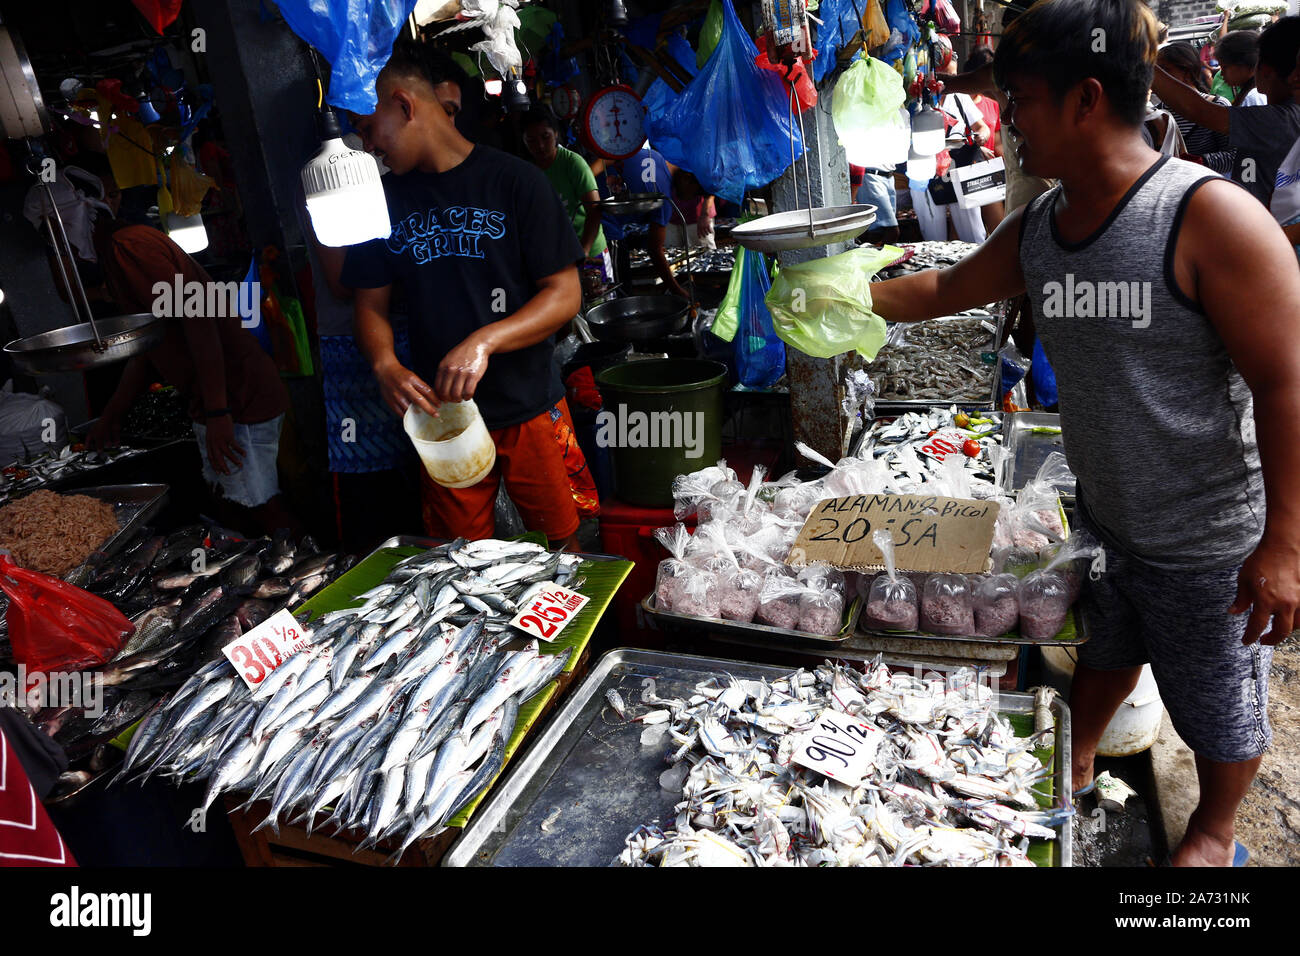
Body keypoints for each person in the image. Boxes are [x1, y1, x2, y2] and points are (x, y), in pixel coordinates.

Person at [869, 0, 1300, 867]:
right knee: (1104, 648)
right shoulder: (1041, 227)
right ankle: (1074, 752)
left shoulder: (1208, 219)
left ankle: (1213, 834)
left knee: (1217, 702)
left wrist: (1286, 540)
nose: (1009, 122)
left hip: (1205, 535)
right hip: (1103, 512)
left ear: (1085, 100)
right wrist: (827, 289)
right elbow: (944, 291)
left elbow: (1286, 380)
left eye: (1019, 100)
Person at [340, 42, 587, 549]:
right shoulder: (381, 204)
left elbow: (564, 295)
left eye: (368, 129)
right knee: (459, 562)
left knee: (565, 546)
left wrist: (485, 341)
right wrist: (384, 363)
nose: (368, 147)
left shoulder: (516, 183)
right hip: (443, 419)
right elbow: (369, 305)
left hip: (530, 408)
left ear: (405, 106)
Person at [84, 170, 294, 536]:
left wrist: (218, 412)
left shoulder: (130, 247)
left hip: (238, 397)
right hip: (218, 401)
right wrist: (113, 413)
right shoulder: (118, 256)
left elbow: (199, 321)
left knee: (258, 504)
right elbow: (147, 347)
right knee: (231, 505)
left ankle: (295, 580)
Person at [1154, 17, 1300, 207]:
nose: (1221, 74)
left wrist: (1139, 62)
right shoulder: (1277, 112)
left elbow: (1198, 110)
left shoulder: (1281, 117)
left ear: (1263, 69)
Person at [910, 48, 991, 244]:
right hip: (925, 168)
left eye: (954, 76)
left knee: (973, 233)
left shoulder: (960, 96)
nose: (951, 82)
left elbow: (982, 127)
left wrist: (981, 136)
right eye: (945, 75)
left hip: (960, 167)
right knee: (932, 234)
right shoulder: (915, 99)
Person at [591, 145, 690, 298]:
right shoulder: (664, 199)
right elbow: (655, 250)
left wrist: (587, 177)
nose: (691, 198)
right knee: (618, 293)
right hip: (603, 227)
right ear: (687, 178)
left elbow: (613, 154)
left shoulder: (655, 156)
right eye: (696, 191)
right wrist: (677, 289)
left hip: (596, 221)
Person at [520, 105, 606, 261]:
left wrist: (584, 251)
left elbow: (595, 211)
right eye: (531, 140)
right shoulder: (527, 172)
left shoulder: (573, 163)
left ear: (556, 134)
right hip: (555, 256)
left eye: (545, 137)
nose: (539, 146)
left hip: (590, 251)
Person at [1156, 42, 1234, 175]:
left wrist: (1200, 162)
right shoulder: (1157, 114)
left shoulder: (1217, 107)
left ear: (1187, 71)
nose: (1159, 77)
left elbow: (1233, 156)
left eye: (1166, 70)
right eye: (1158, 71)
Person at [965, 47, 1006, 233]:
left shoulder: (992, 103)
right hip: (965, 170)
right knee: (968, 230)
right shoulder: (958, 100)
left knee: (997, 226)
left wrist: (1008, 165)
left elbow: (997, 142)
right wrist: (975, 148)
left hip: (989, 171)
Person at [1213, 29, 1268, 106]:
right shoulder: (1248, 93)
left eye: (1225, 67)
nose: (1222, 74)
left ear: (1244, 65)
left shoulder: (1253, 97)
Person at [667, 168, 716, 249]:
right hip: (672, 218)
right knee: (673, 255)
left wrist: (704, 214)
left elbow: (713, 186)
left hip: (698, 219)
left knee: (705, 254)